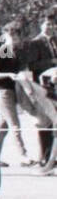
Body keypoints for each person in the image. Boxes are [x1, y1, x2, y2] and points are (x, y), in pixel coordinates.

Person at [0, 21, 34, 166]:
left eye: (17, 36)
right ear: (6, 36)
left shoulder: (14, 53)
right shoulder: (1, 52)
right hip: (3, 91)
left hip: (12, 90)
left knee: (2, 128)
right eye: (12, 36)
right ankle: (23, 156)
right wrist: (9, 75)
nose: (15, 39)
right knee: (15, 124)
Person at [27, 9, 57, 167]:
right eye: (47, 24)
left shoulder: (55, 41)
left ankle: (53, 156)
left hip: (55, 86)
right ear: (41, 25)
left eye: (52, 24)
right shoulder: (35, 43)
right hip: (42, 86)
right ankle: (45, 156)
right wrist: (51, 62)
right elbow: (32, 65)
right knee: (46, 122)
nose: (50, 27)